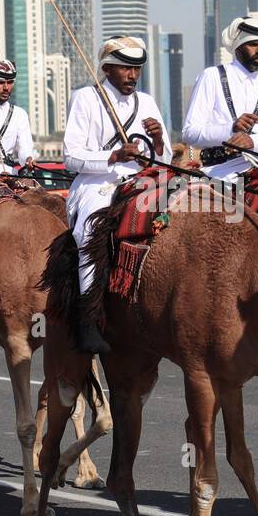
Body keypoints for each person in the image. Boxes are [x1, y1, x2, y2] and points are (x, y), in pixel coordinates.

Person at [63, 37, 170, 354]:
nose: (132, 75)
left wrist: (159, 140)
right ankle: (88, 319)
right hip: (98, 183)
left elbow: (162, 160)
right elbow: (72, 157)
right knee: (89, 231)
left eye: (136, 69)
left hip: (140, 180)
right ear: (107, 68)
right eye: (125, 68)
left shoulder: (147, 102)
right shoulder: (85, 98)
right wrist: (113, 156)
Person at [181, 16, 258, 181]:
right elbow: (190, 133)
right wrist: (231, 129)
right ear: (238, 47)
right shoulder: (212, 76)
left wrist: (252, 141)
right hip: (218, 172)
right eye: (253, 44)